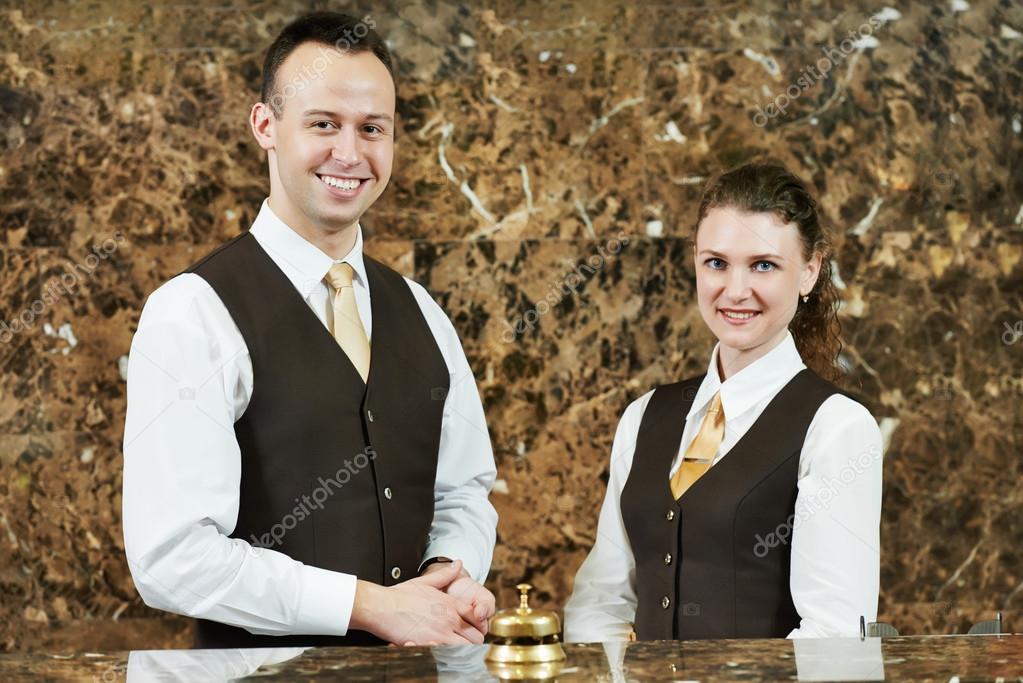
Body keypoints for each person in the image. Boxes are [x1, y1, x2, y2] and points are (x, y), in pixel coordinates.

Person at [122, 11, 498, 648]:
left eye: (371, 129)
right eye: (323, 124)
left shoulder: (421, 310)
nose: (349, 154)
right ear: (265, 126)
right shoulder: (192, 312)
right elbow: (173, 557)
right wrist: (369, 606)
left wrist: (446, 578)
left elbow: (462, 492)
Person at [564, 162, 883, 641]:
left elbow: (834, 635)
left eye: (763, 265)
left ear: (809, 271)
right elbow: (601, 601)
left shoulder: (836, 427)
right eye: (717, 263)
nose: (736, 291)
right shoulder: (643, 417)